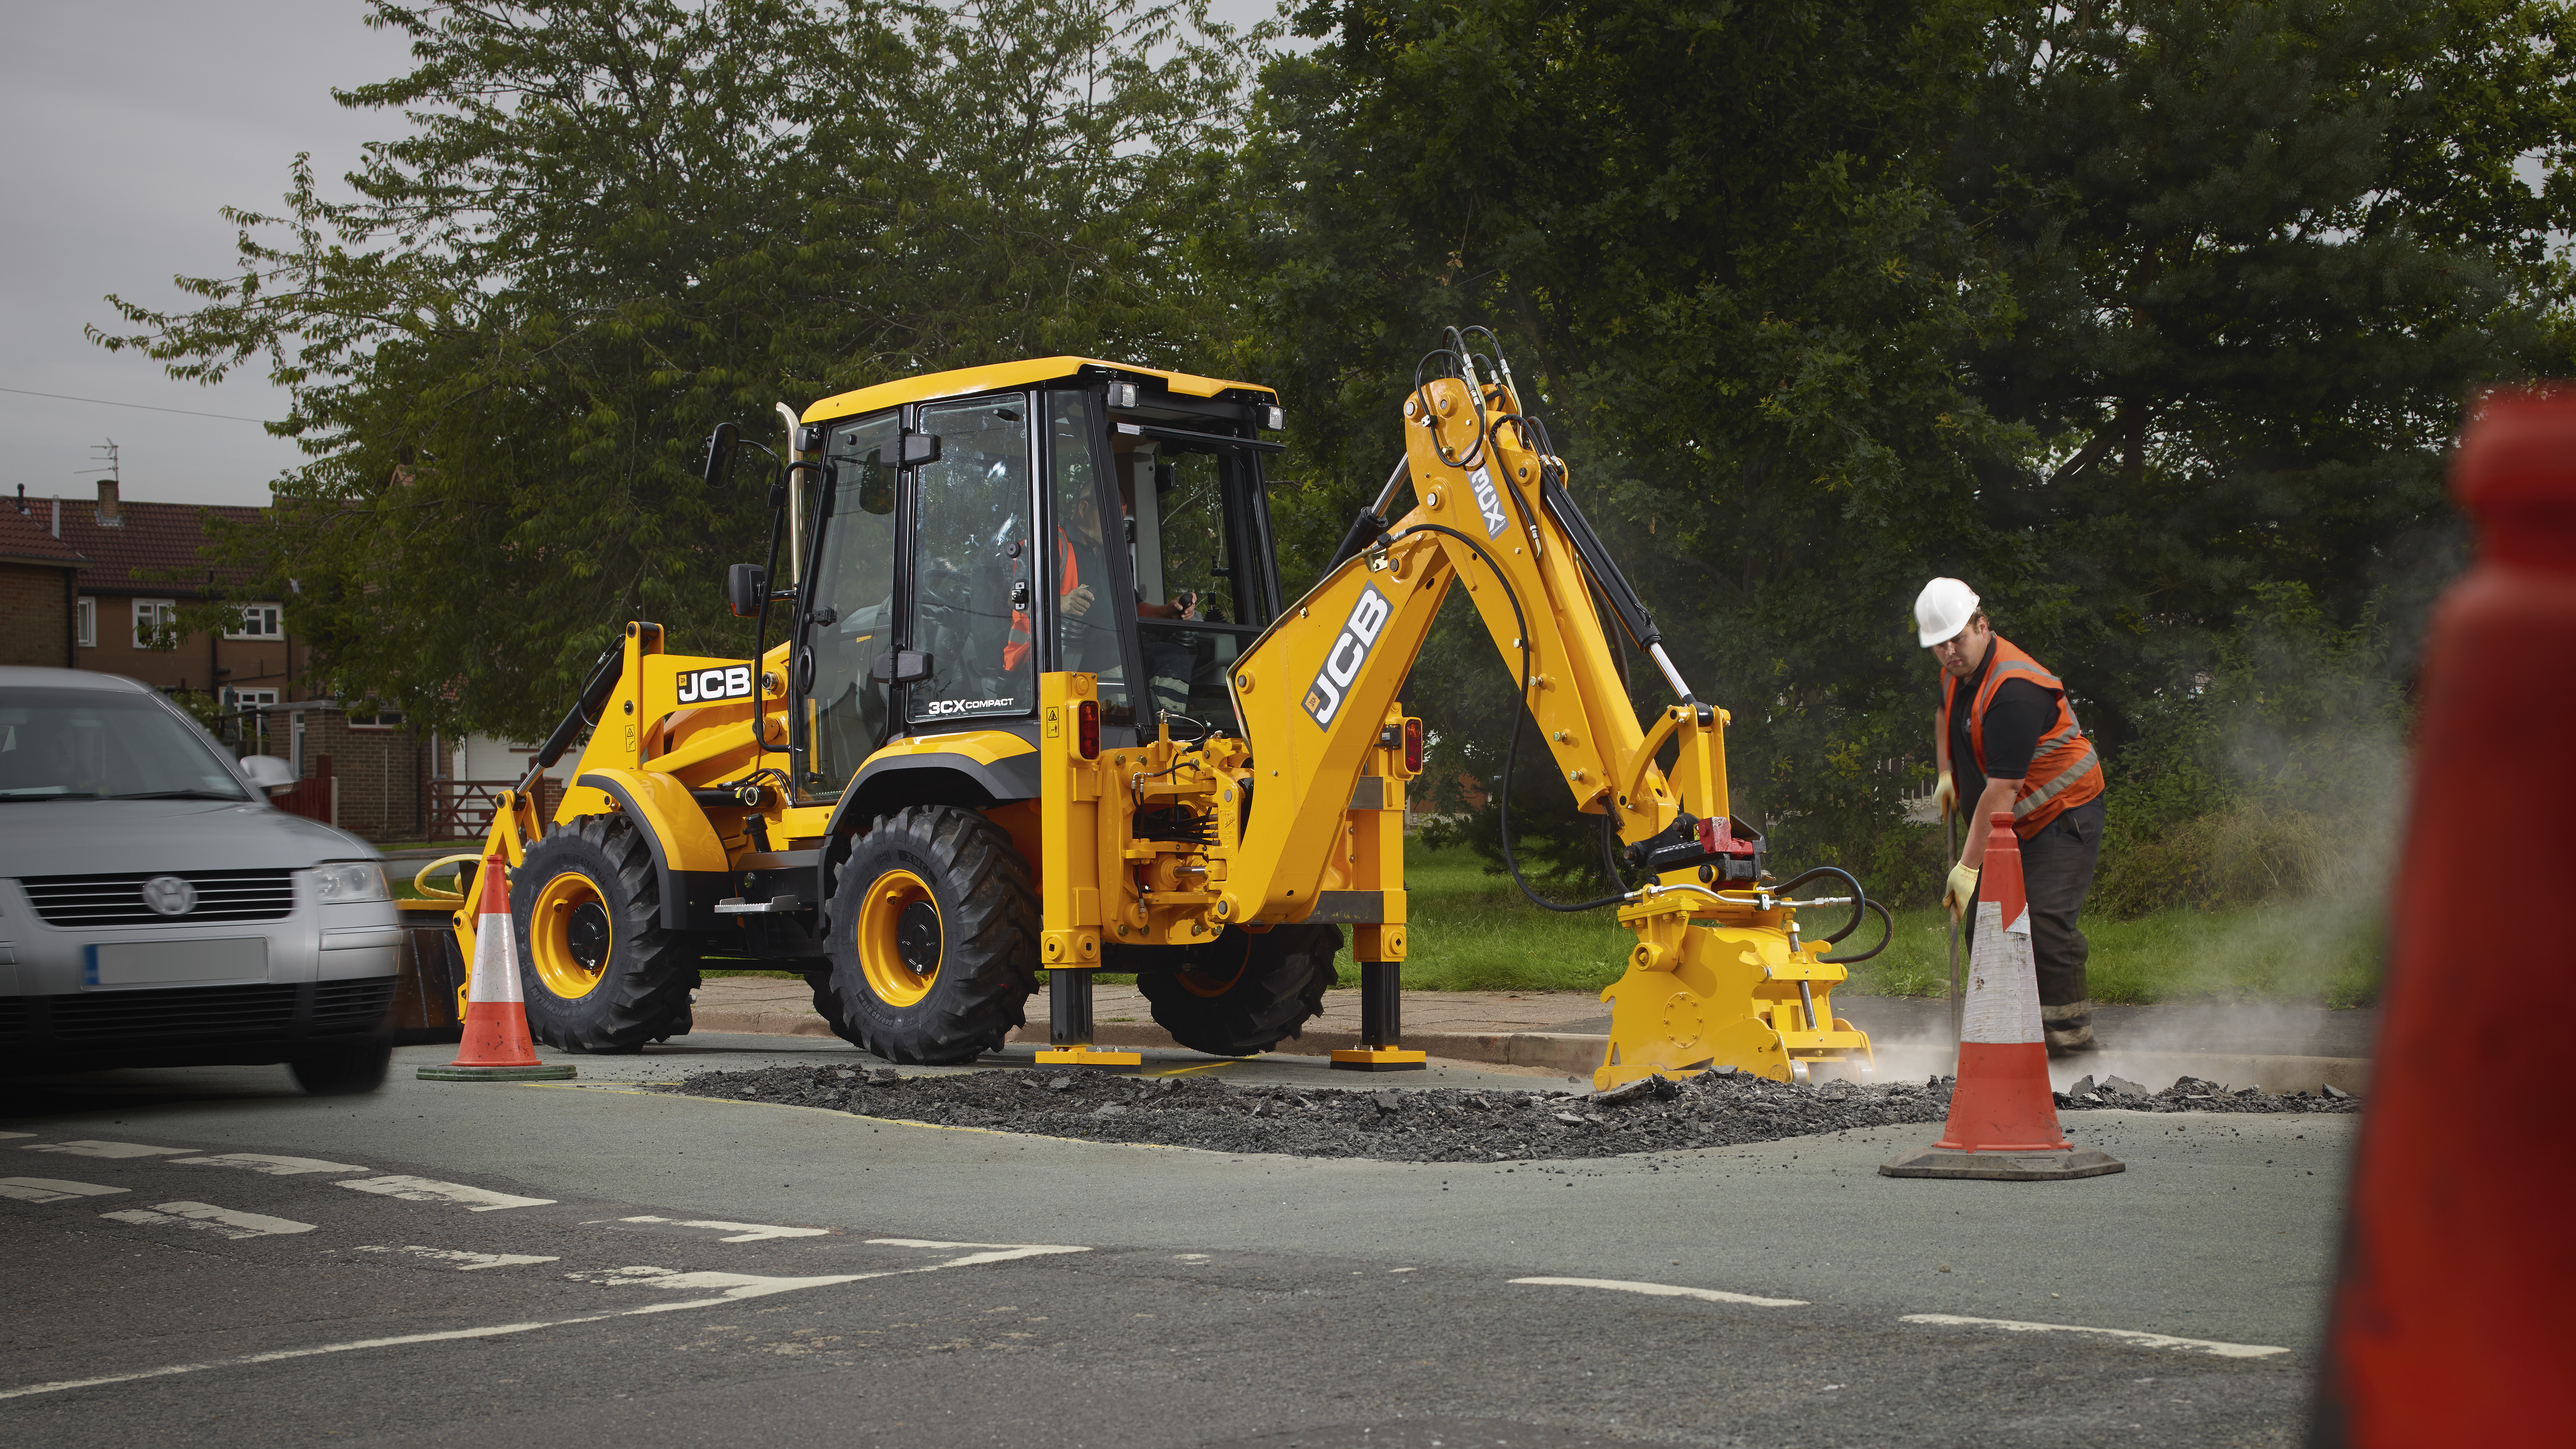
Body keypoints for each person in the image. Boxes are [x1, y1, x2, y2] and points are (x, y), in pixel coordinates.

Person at [1917, 577, 2107, 1055]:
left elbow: (2002, 790)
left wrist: (1967, 869)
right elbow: (1944, 714)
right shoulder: (1957, 672)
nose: (1949, 652)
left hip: (2063, 814)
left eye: (1957, 639)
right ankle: (2009, 1044)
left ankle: (2072, 1050)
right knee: (1986, 923)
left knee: (2043, 921)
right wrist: (1946, 770)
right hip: (2011, 821)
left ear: (1982, 626)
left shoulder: (2014, 689)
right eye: (1939, 645)